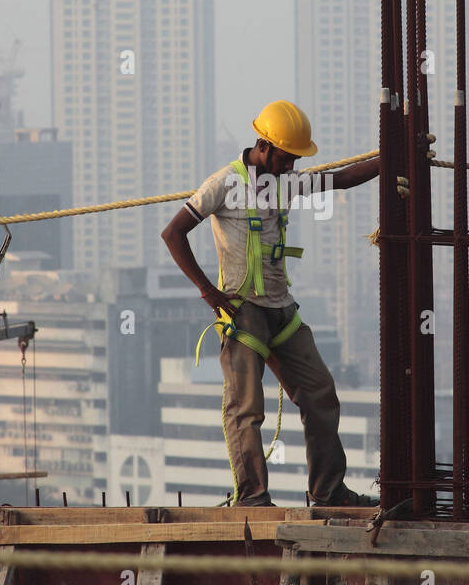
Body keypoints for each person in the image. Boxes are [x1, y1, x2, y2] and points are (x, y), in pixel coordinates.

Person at [161, 100, 381, 507]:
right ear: (264, 145)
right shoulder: (224, 184)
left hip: (282, 311)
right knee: (245, 409)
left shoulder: (284, 181)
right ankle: (253, 497)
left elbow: (343, 179)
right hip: (244, 313)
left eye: (296, 159)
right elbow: (173, 233)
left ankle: (328, 491)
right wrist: (209, 292)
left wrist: (392, 159)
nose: (291, 165)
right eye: (287, 157)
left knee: (319, 393)